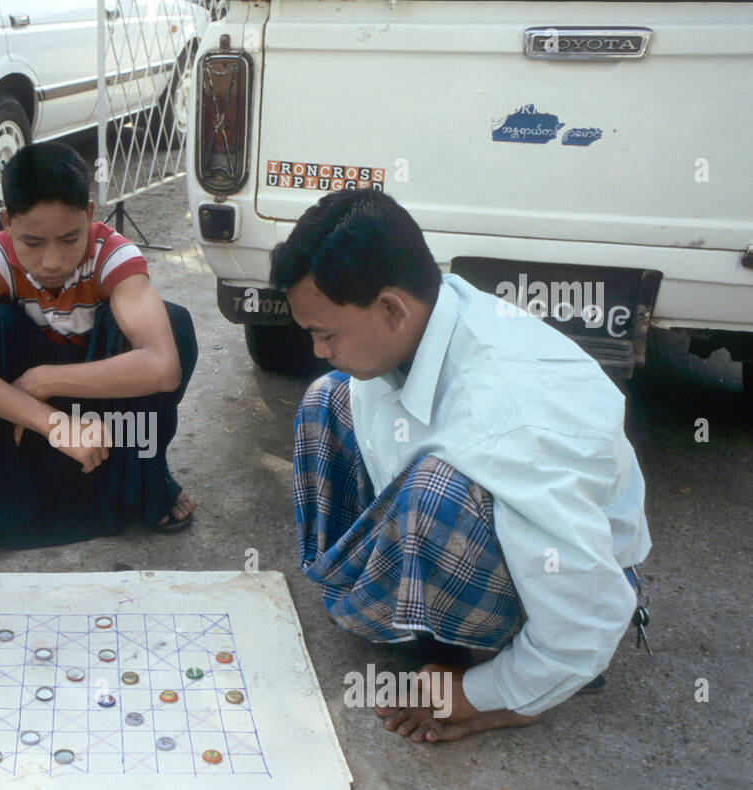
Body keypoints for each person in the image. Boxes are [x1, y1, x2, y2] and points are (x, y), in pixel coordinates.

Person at [274, 189, 650, 743]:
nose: (318, 349)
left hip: (565, 596)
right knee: (327, 398)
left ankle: (515, 684)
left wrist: (478, 695)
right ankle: (424, 628)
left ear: (391, 309)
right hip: (485, 526)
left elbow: (585, 626)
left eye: (326, 333)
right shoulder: (422, 321)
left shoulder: (510, 423)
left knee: (436, 490)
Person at [0, 141, 198, 548]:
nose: (52, 261)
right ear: (7, 221)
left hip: (100, 403)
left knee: (172, 323)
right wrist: (53, 422)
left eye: (70, 239)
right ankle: (11, 500)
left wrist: (42, 380)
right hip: (32, 416)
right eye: (32, 243)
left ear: (89, 215)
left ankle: (142, 478)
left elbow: (161, 366)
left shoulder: (114, 255)